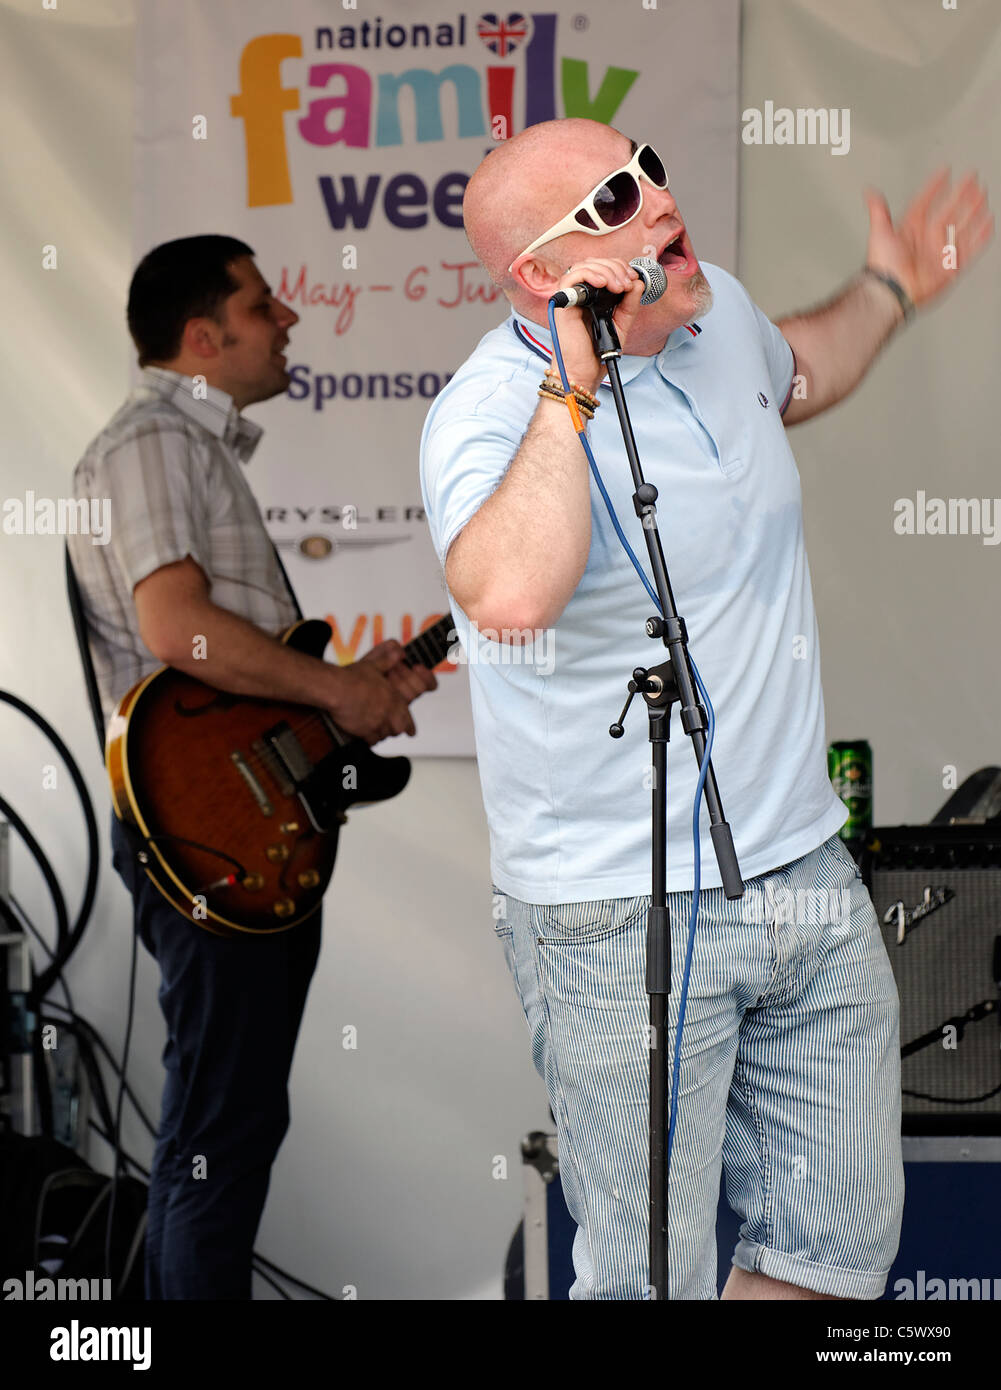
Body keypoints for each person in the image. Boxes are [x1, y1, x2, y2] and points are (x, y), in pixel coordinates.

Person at [419, 118, 992, 1300]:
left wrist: (889, 288)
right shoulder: (487, 416)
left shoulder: (711, 307)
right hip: (614, 908)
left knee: (829, 1253)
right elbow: (510, 592)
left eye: (650, 166)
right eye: (617, 198)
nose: (660, 200)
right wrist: (571, 389)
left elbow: (800, 369)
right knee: (647, 1281)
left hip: (799, 873)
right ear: (541, 273)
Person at [69, 235, 436, 1299]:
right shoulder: (152, 444)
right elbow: (177, 630)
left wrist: (353, 695)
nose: (290, 321)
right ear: (201, 336)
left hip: (231, 829)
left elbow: (227, 677)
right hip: (203, 839)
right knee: (217, 1131)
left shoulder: (197, 453)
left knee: (227, 1122)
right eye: (264, 304)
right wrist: (334, 694)